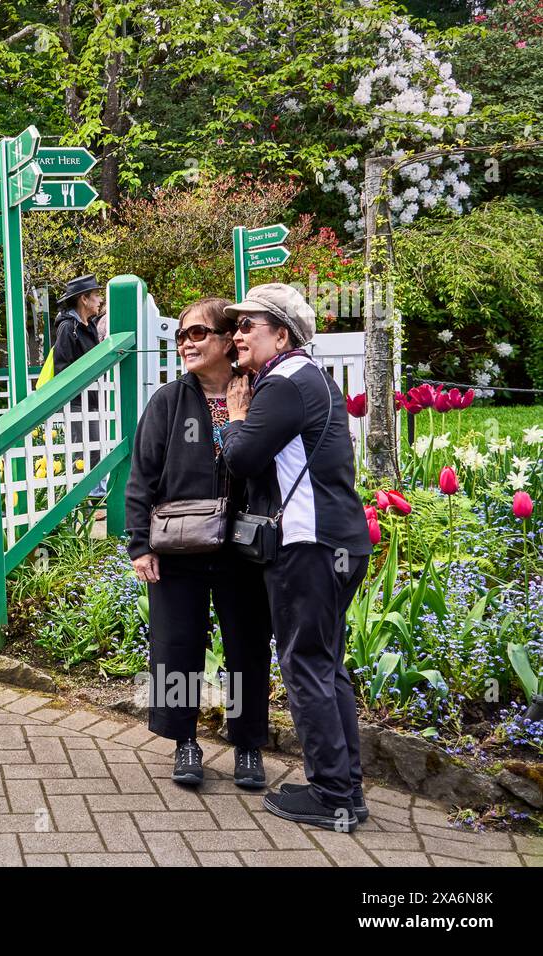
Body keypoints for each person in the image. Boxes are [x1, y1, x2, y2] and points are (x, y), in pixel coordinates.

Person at [221, 283, 374, 833]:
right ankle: (347, 790)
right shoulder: (314, 378)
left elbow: (241, 457)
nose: (236, 334)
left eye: (248, 325)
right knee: (326, 666)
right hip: (341, 542)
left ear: (281, 334)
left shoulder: (283, 383)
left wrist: (235, 415)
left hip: (308, 546)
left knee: (305, 666)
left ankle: (331, 794)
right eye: (234, 325)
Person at [124, 298, 272, 791]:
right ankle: (185, 741)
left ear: (229, 340)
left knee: (246, 647)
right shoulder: (168, 401)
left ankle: (248, 746)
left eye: (198, 333)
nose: (186, 342)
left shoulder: (260, 394)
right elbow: (141, 476)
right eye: (180, 336)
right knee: (176, 646)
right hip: (179, 545)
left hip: (242, 548)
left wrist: (241, 419)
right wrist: (139, 545)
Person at [52, 274, 109, 503]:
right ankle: (87, 498)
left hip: (93, 398)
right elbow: (62, 367)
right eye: (96, 295)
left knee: (95, 447)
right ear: (83, 299)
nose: (99, 300)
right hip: (77, 400)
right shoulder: (68, 327)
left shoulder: (89, 325)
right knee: (86, 450)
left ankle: (94, 495)